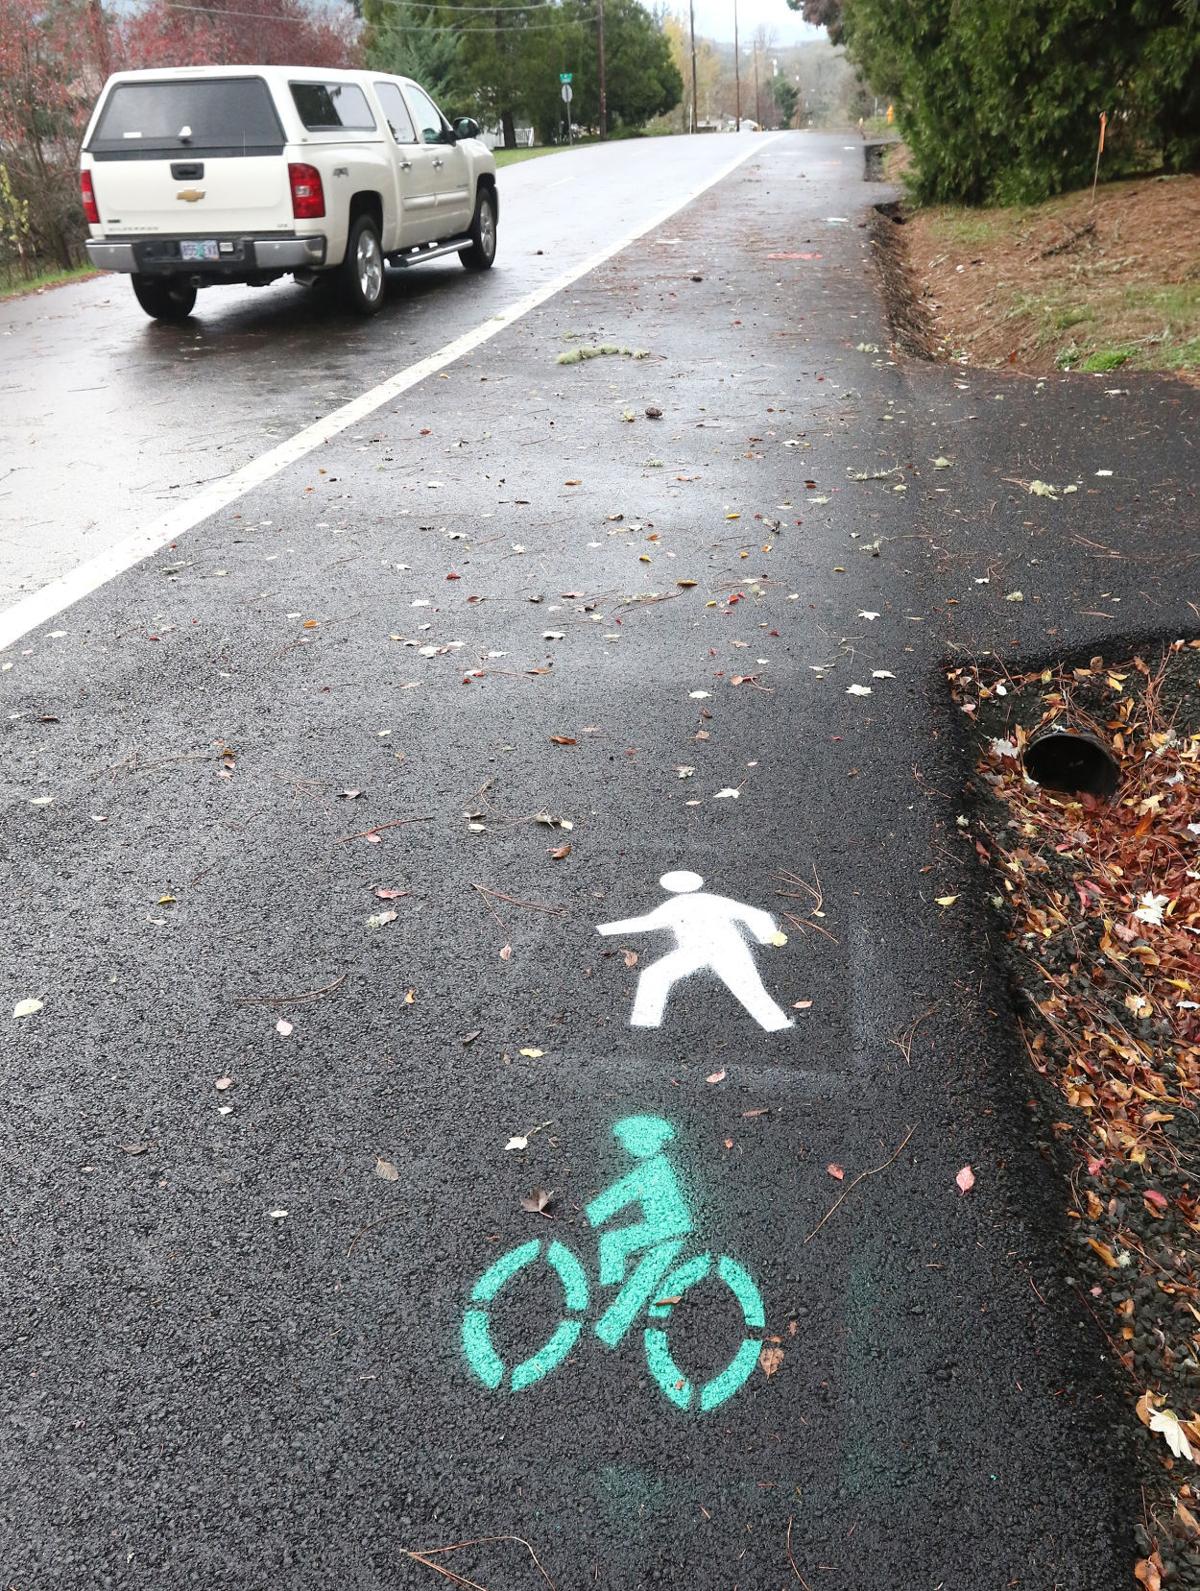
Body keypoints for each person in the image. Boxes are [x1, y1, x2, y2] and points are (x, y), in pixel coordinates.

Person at [597, 871, 793, 1032]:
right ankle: (776, 1024)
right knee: (748, 987)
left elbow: (647, 923)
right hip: (716, 948)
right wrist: (767, 936)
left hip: (711, 948)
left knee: (656, 976)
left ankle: (645, 1022)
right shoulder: (712, 900)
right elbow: (756, 914)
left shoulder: (674, 905)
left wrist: (605, 929)